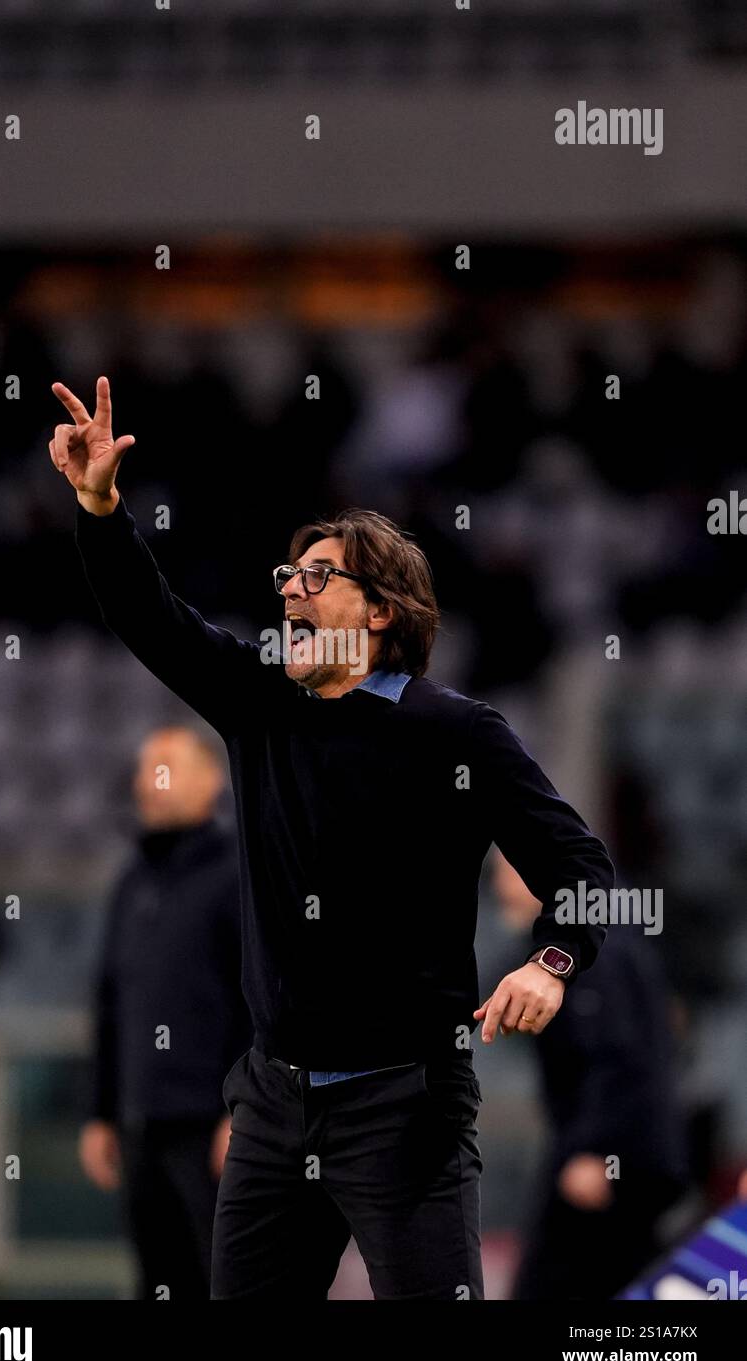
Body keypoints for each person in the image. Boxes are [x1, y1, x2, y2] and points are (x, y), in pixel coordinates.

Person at [51, 375, 615, 1301]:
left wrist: (550, 961)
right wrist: (100, 504)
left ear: (383, 610)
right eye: (288, 578)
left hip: (406, 1106)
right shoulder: (260, 703)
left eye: (320, 577)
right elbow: (147, 617)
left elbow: (583, 871)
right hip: (273, 1105)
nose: (292, 592)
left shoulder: (456, 733)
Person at [78, 724, 252, 1300]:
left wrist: (243, 1110)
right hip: (140, 1122)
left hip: (209, 1126)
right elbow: (110, 999)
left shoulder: (237, 874)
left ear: (211, 781)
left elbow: (256, 1000)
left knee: (220, 1276)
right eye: (144, 770)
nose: (148, 783)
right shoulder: (133, 878)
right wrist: (103, 1111)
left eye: (167, 768)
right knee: (155, 1279)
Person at [491, 851, 690, 1299]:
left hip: (607, 1158)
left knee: (549, 1283)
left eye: (508, 871)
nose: (499, 885)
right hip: (629, 1155)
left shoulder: (593, 956)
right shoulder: (612, 941)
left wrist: (591, 1150)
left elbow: (618, 1058)